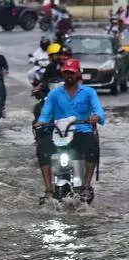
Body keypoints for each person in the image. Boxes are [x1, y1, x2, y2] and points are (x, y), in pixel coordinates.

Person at [34, 58, 104, 203]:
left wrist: (96, 117)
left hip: (81, 131)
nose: (69, 76)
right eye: (66, 72)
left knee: (92, 146)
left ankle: (86, 186)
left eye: (72, 72)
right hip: (59, 132)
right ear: (62, 73)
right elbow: (46, 114)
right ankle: (48, 190)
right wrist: (40, 122)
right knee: (42, 148)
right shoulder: (54, 94)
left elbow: (99, 111)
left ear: (78, 73)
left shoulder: (89, 92)